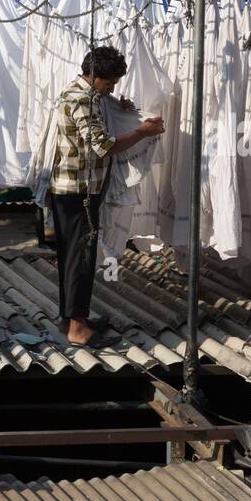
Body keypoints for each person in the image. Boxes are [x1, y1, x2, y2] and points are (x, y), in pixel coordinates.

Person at [50, 46, 164, 347]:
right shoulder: (84, 101)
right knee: (82, 257)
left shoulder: (84, 94)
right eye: (109, 82)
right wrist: (142, 132)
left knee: (72, 255)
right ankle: (77, 329)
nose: (112, 88)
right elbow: (104, 146)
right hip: (79, 192)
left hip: (73, 190)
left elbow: (103, 117)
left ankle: (71, 318)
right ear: (95, 75)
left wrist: (118, 108)